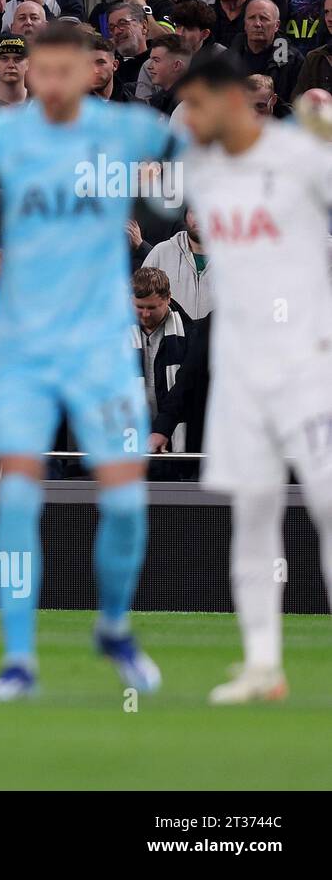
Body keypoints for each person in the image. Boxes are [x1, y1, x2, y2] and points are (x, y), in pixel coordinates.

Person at [0, 21, 177, 701]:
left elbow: (193, 163)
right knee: (17, 497)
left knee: (127, 502)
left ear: (91, 70)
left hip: (101, 347)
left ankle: (114, 627)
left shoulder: (126, 129)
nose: (48, 82)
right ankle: (18, 659)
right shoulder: (2, 133)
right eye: (37, 70)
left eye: (61, 70)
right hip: (22, 348)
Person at [173, 57, 332, 702]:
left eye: (198, 106)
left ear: (233, 100)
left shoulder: (300, 155)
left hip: (307, 363)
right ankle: (263, 665)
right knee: (252, 514)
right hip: (240, 371)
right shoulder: (203, 170)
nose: (188, 119)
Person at [128, 265, 195, 459]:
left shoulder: (190, 335)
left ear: (168, 299)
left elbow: (186, 391)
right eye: (139, 307)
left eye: (152, 308)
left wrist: (163, 427)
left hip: (175, 437)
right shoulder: (112, 337)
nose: (145, 314)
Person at [142, 207, 212, 319]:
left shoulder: (231, 259)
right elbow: (140, 297)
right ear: (185, 217)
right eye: (194, 212)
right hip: (171, 330)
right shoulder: (161, 252)